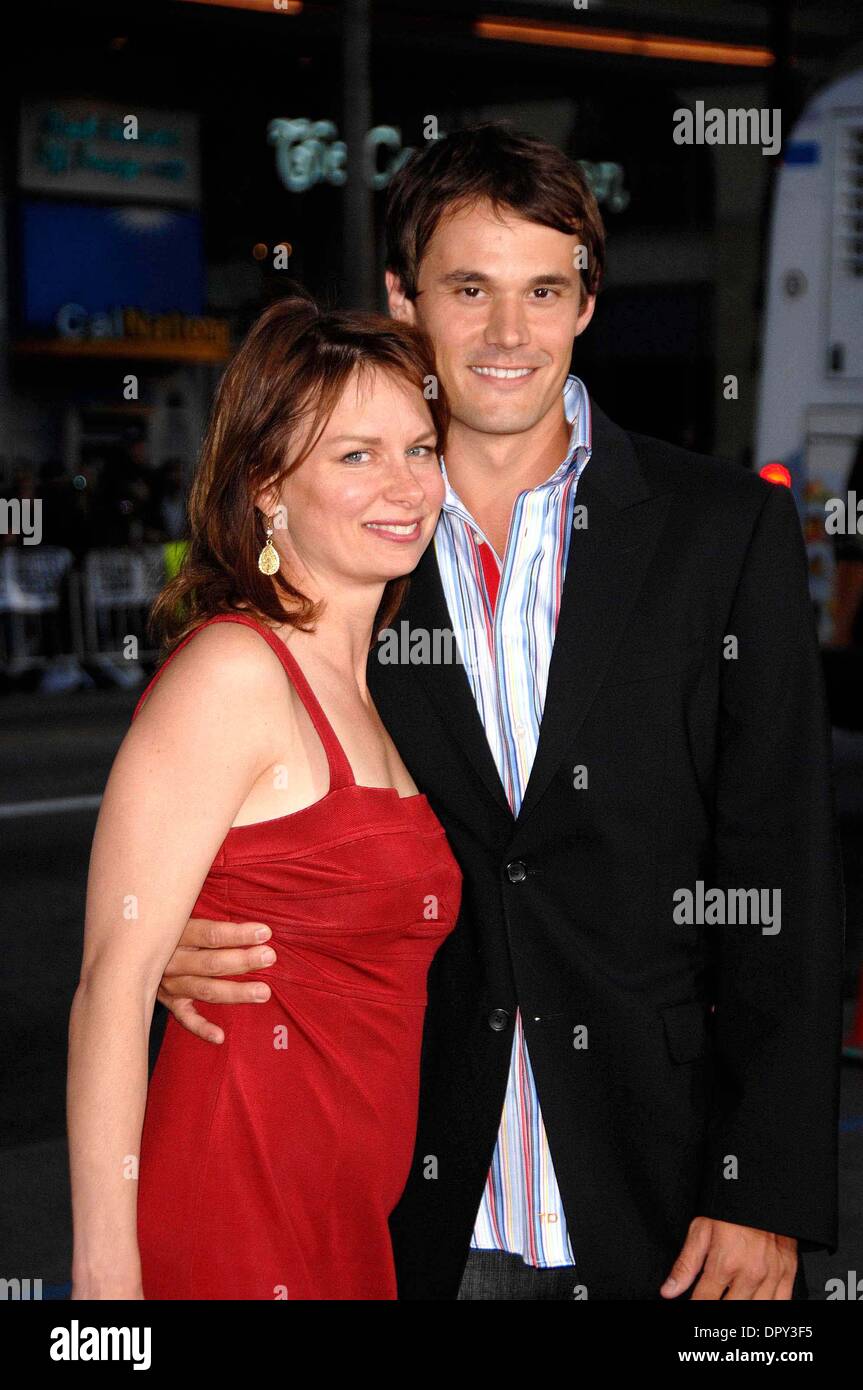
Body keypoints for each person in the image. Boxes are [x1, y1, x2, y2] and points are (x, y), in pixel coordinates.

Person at [157, 125, 844, 1301]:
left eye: (543, 289)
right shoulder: (339, 541)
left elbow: (780, 868)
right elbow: (197, 775)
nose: (507, 334)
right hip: (394, 1179)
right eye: (467, 289)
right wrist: (165, 929)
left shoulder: (718, 529)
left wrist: (760, 1184)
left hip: (659, 1192)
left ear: (586, 302)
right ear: (401, 299)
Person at [66, 296, 461, 1300]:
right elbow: (112, 985)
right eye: (357, 455)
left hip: (343, 1221)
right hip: (237, 1210)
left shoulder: (368, 688)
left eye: (419, 448)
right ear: (269, 485)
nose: (405, 484)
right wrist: (108, 1284)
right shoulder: (236, 670)